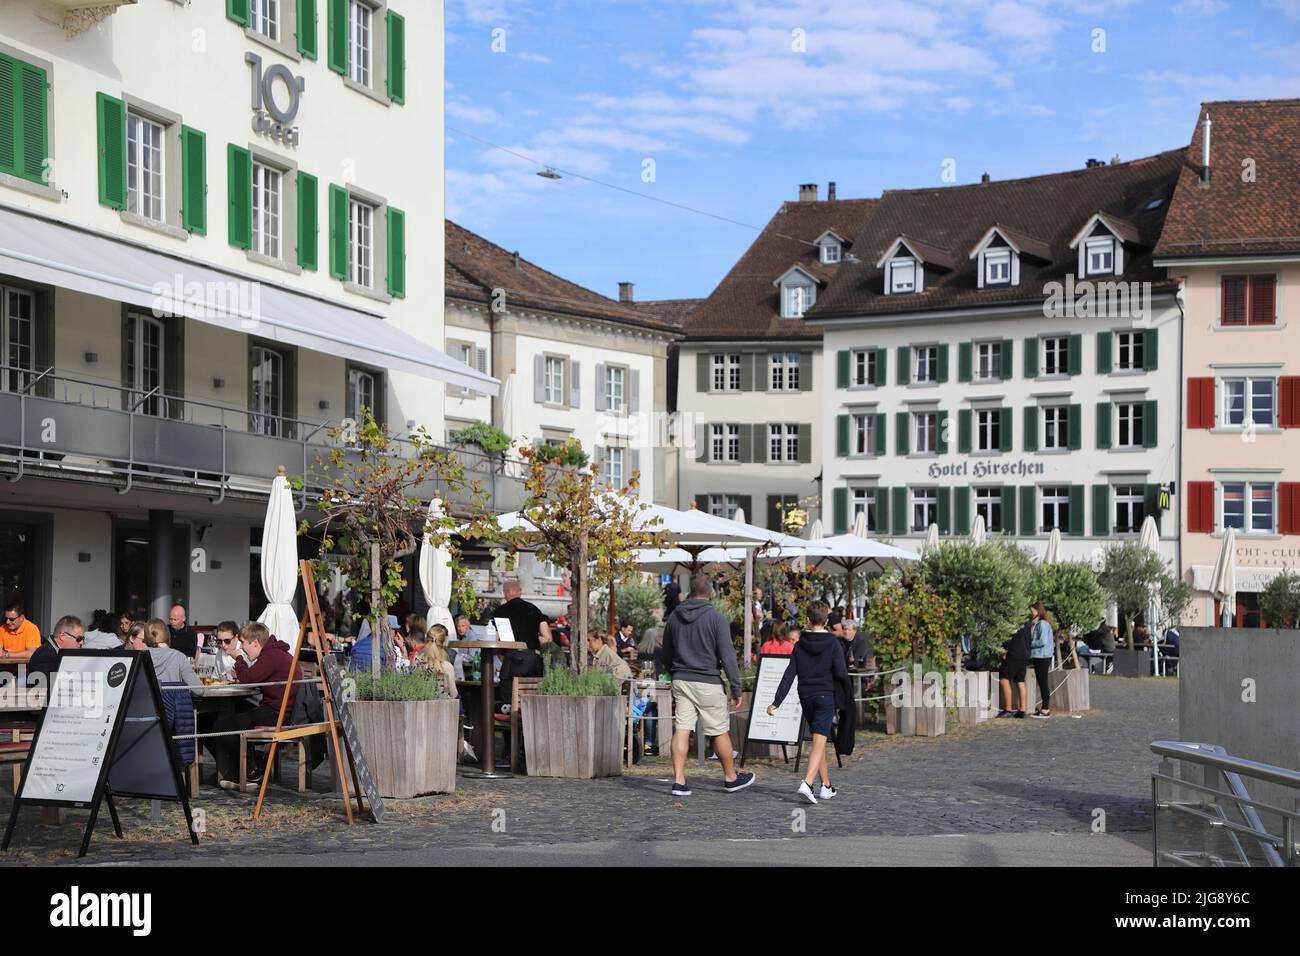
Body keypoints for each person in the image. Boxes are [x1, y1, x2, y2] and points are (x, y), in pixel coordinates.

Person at [661, 573, 755, 796]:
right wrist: (735, 687)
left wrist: (671, 670)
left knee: (682, 728)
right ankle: (731, 777)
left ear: (690, 592)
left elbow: (665, 651)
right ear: (710, 593)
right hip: (708, 681)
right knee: (719, 730)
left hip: (681, 679)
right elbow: (728, 656)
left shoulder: (675, 616)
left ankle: (679, 781)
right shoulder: (716, 618)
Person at [769, 602, 845, 803]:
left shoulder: (799, 644)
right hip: (825, 695)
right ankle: (808, 783)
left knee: (818, 739)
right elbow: (841, 672)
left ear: (807, 621)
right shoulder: (832, 643)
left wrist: (776, 702)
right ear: (827, 621)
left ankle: (826, 786)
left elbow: (789, 674)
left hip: (806, 697)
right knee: (819, 742)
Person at [213, 622, 301, 790]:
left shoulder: (271, 656)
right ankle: (241, 770)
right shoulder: (275, 653)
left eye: (244, 643)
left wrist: (239, 659)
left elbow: (249, 679)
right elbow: (255, 677)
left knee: (222, 725)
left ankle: (250, 771)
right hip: (281, 710)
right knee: (236, 717)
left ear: (255, 642)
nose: (243, 648)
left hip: (277, 713)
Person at [494, 579, 551, 706]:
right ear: (520, 591)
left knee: (510, 701)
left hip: (512, 660)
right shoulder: (534, 609)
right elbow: (547, 638)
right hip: (533, 659)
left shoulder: (501, 611)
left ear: (505, 593)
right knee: (531, 699)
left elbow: (497, 639)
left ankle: (512, 724)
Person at [142, 618, 203, 688]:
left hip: (147, 699)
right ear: (167, 635)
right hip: (173, 698)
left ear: (145, 638)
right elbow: (199, 689)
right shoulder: (179, 657)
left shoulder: (139, 657)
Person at [27, 615, 85, 682]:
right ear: (62, 636)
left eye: (83, 639)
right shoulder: (43, 656)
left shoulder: (61, 652)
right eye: (79, 639)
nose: (82, 642)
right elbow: (48, 687)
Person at [998, 618, 1031, 718]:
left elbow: (1008, 639)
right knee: (1020, 681)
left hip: (1014, 653)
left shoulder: (1011, 620)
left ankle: (1008, 709)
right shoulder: (1027, 623)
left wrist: (1004, 648)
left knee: (1004, 679)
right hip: (1025, 654)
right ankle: (1022, 710)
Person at [414, 624, 458, 698]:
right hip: (443, 704)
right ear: (444, 642)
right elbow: (453, 694)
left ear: (427, 639)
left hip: (421, 701)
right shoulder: (446, 666)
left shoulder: (417, 660)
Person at [1028, 602, 1054, 718]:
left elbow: (1042, 641)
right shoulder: (1038, 623)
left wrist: (1028, 643)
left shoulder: (1042, 624)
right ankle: (1044, 707)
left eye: (1032, 610)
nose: (1030, 613)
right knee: (1042, 682)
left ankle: (1045, 709)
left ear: (1038, 611)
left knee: (1043, 683)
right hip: (1040, 656)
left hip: (1042, 656)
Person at [1, 599, 41, 663]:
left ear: (21, 618)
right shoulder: (2, 628)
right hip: (5, 666)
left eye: (11, 619)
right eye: (6, 618)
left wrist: (7, 654)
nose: (7, 622)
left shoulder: (31, 628)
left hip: (26, 667)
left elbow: (32, 653)